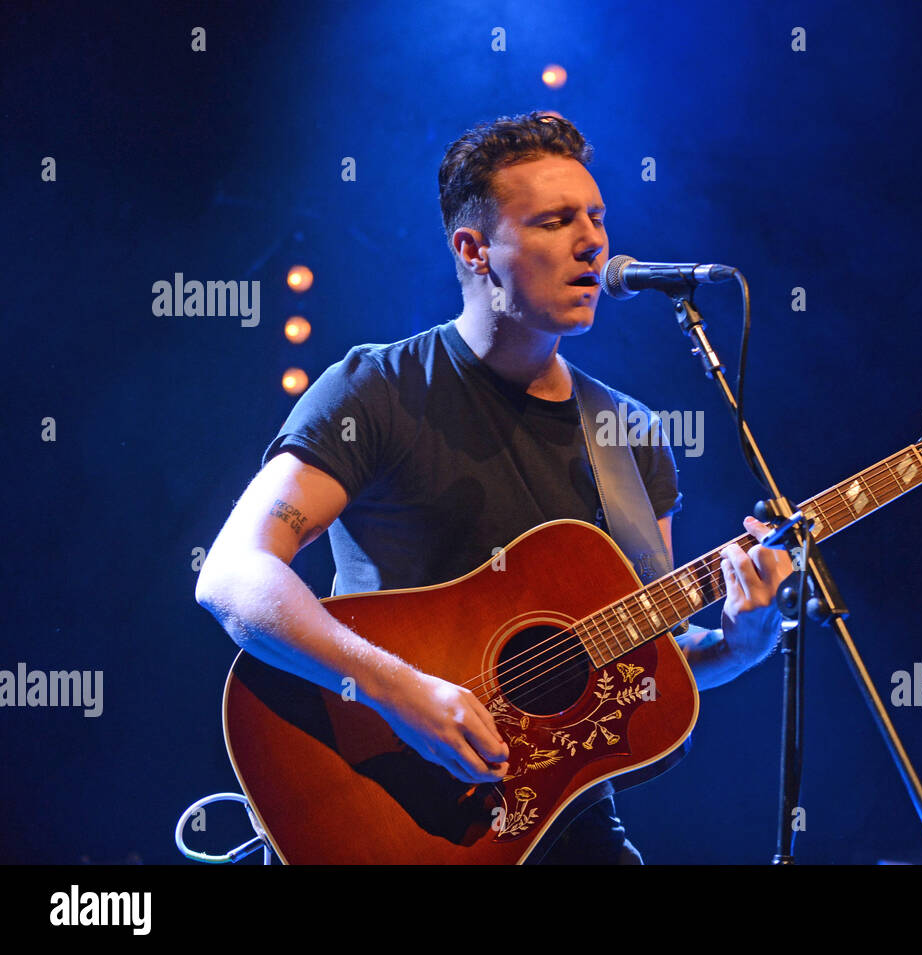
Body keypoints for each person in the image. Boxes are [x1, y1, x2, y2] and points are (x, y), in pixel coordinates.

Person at [195, 110, 792, 863]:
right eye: (555, 220)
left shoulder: (628, 432)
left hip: (563, 817)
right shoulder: (377, 390)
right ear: (474, 249)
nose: (594, 242)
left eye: (597, 217)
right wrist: (402, 692)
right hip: (393, 805)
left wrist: (741, 644)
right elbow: (232, 573)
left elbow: (647, 654)